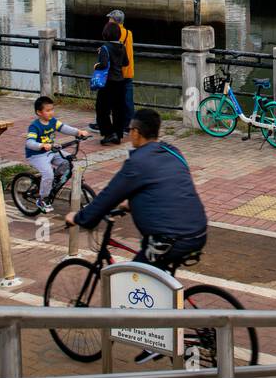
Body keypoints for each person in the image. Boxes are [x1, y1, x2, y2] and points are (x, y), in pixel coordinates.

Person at [65, 109, 207, 274]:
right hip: (198, 232)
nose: (130, 132)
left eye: (130, 129)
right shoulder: (173, 152)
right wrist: (133, 204)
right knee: (158, 285)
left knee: (133, 283)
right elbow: (166, 190)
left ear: (137, 133)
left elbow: (108, 197)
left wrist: (79, 217)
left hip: (169, 241)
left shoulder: (137, 162)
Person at [25, 95, 90, 213]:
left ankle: (53, 180)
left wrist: (78, 132)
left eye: (52, 109)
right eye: (48, 110)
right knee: (48, 174)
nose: (51, 113)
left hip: (51, 151)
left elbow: (64, 128)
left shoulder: (53, 122)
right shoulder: (34, 126)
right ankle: (42, 199)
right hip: (37, 155)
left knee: (69, 161)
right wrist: (41, 145)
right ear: (39, 112)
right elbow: (29, 142)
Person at [91, 9, 135, 133]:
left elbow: (112, 49)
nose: (108, 21)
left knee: (106, 103)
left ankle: (103, 125)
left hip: (116, 72)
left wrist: (103, 50)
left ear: (114, 21)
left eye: (110, 19)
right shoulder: (128, 33)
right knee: (127, 101)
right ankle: (128, 125)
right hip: (128, 69)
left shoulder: (116, 32)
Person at [94, 22, 127, 145]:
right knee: (118, 109)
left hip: (108, 83)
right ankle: (118, 135)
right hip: (120, 82)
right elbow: (126, 63)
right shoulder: (122, 46)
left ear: (106, 33)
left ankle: (108, 133)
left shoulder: (104, 47)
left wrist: (96, 65)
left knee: (102, 109)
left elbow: (103, 64)